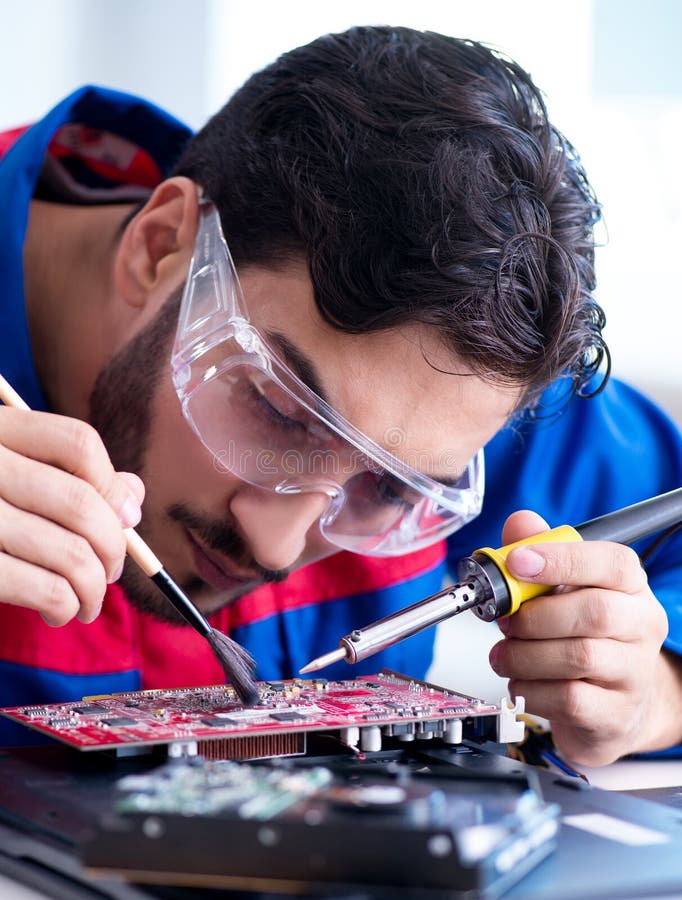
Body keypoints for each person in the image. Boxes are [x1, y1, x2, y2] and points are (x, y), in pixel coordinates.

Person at [1, 26, 681, 765]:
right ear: (163, 244)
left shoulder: (459, 391)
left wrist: (655, 694)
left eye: (390, 490)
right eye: (279, 412)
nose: (276, 546)